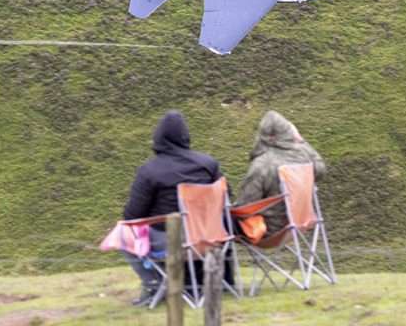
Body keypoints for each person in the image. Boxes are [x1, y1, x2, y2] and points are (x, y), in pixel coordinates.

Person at [121, 110, 221, 306]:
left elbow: (132, 215)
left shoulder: (150, 170)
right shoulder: (209, 164)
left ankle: (154, 284)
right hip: (210, 238)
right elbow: (225, 198)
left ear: (158, 137)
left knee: (123, 234)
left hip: (170, 242)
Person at [235, 110, 326, 238]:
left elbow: (245, 207)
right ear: (290, 132)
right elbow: (321, 169)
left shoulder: (262, 164)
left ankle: (220, 257)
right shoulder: (304, 154)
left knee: (225, 221)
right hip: (301, 222)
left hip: (269, 230)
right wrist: (301, 141)